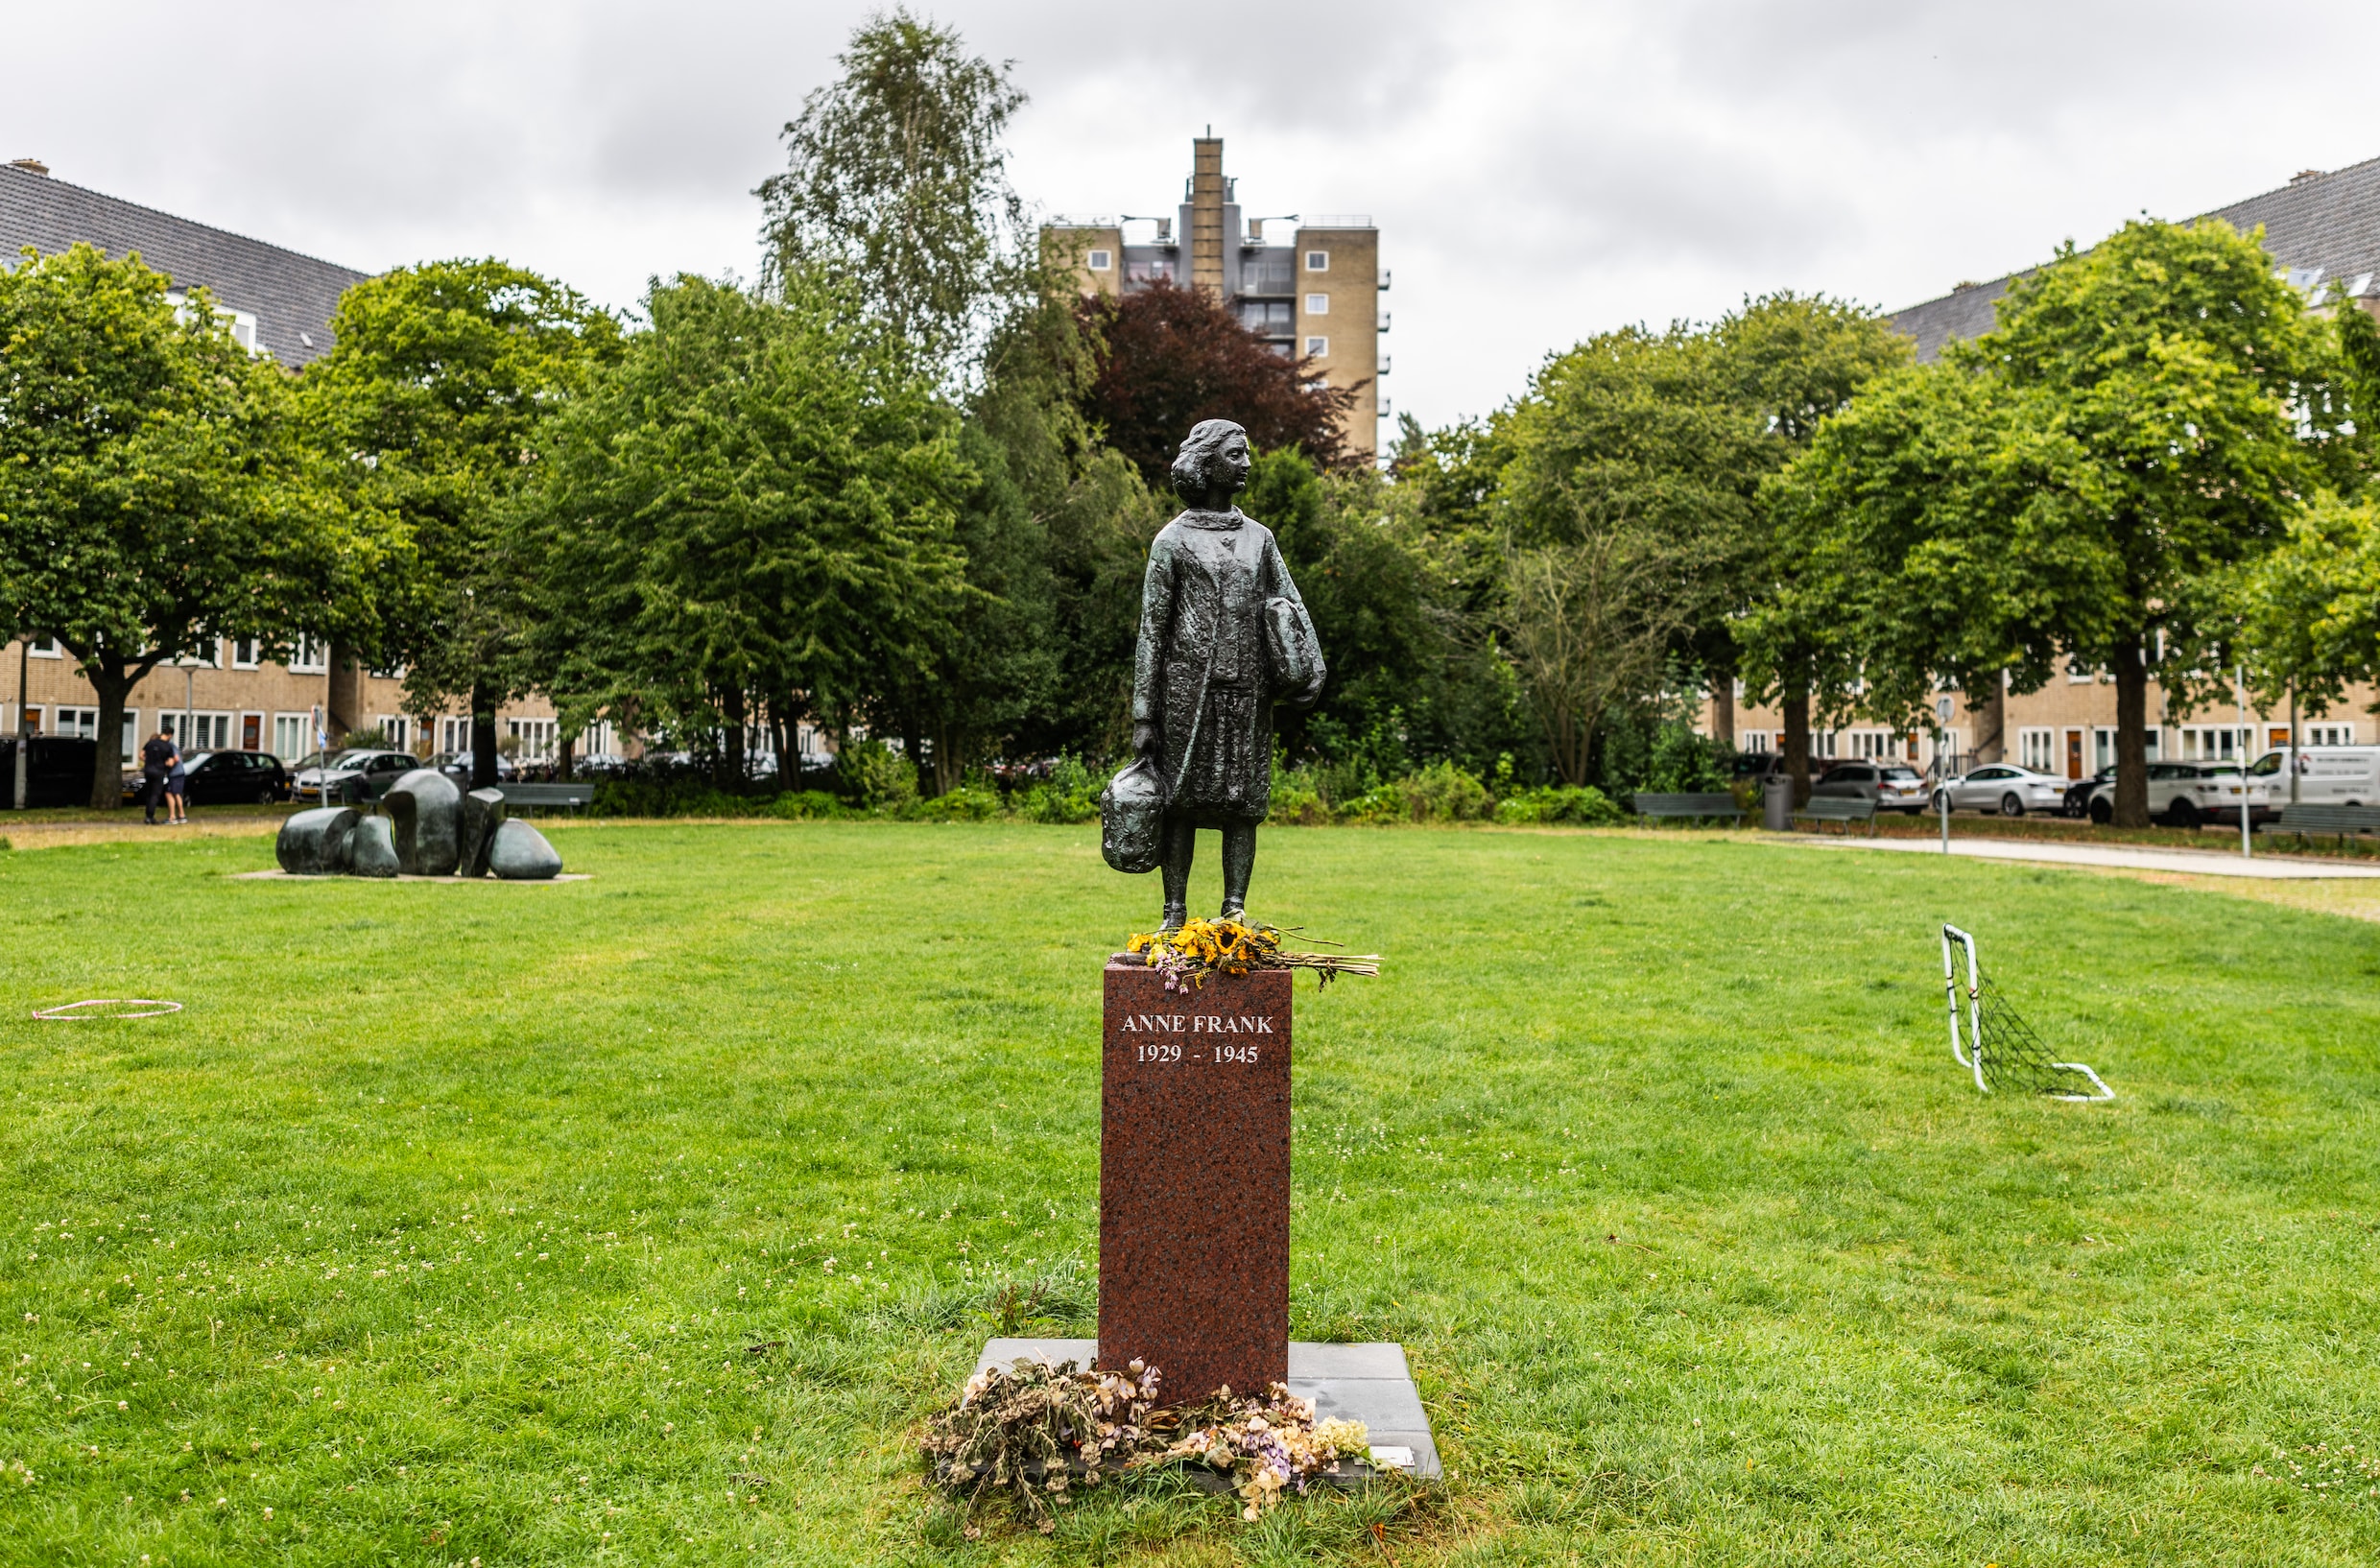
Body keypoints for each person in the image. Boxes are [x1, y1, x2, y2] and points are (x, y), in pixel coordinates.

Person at [1130, 418, 1324, 932]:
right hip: (1185, 696)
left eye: (1246, 454)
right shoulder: (1171, 541)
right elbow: (1152, 631)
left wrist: (1310, 672)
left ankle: (1234, 908)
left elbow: (1294, 609)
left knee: (1244, 804)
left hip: (1248, 693)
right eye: (1236, 454)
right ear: (1207, 463)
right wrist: (1144, 715)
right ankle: (1174, 911)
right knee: (1179, 803)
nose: (1246, 462)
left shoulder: (1260, 539)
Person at [139, 728, 175, 825]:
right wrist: (164, 763)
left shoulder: (150, 743)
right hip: (159, 771)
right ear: (170, 735)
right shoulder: (167, 746)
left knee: (149, 793)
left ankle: (147, 815)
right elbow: (171, 763)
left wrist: (149, 761)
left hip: (148, 770)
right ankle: (150, 817)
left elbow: (141, 755)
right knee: (155, 794)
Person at [165, 735, 188, 824]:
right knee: (175, 793)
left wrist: (165, 763)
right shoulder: (172, 746)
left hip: (175, 773)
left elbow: (175, 759)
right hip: (177, 773)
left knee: (173, 793)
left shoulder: (170, 747)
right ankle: (179, 815)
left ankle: (177, 816)